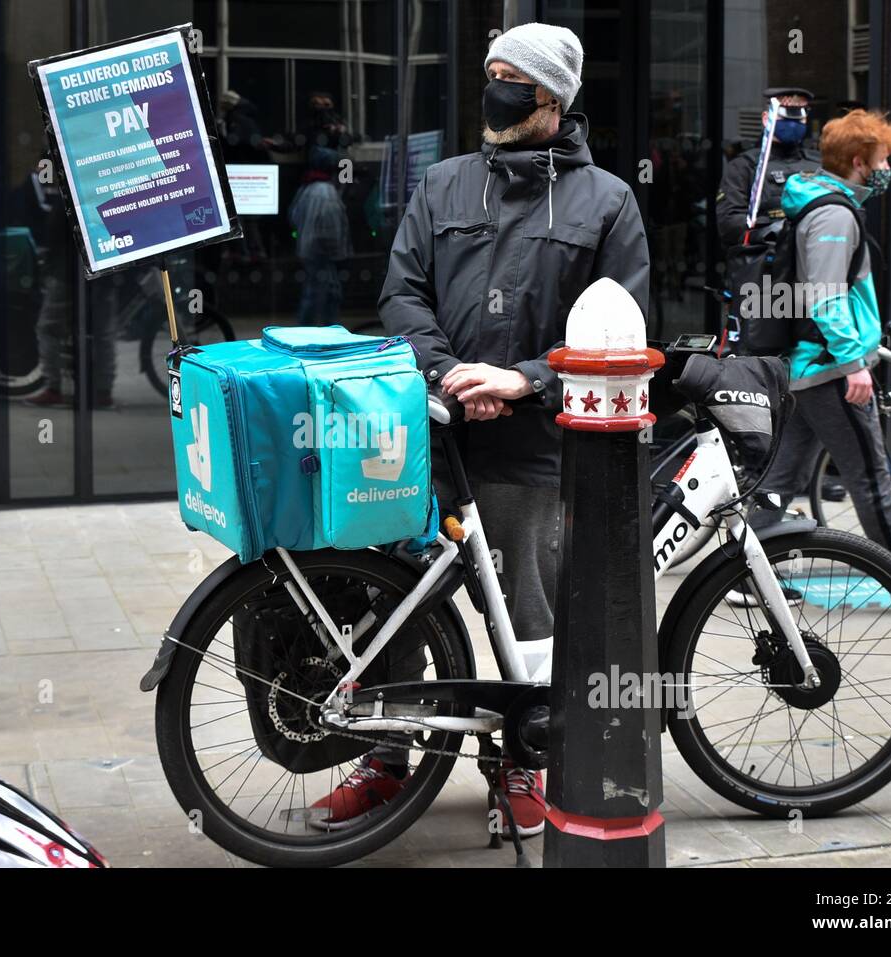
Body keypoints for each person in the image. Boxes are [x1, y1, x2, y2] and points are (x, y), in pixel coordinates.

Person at [312, 22, 650, 837]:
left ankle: (519, 766)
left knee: (526, 613)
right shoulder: (445, 184)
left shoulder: (606, 200)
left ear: (554, 99)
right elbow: (402, 293)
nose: (495, 89)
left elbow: (625, 332)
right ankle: (384, 761)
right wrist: (449, 376)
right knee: (389, 600)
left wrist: (522, 379)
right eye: (491, 72)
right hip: (430, 433)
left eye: (513, 79)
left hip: (532, 450)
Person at [751, 109, 891, 599]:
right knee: (869, 475)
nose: (887, 168)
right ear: (858, 161)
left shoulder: (825, 204)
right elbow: (825, 295)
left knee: (782, 475)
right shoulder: (832, 213)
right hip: (829, 368)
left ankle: (752, 572)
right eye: (882, 159)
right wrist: (854, 363)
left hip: (809, 366)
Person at [717, 87, 821, 248]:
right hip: (769, 263)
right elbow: (729, 223)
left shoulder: (819, 164)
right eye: (784, 118)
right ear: (767, 119)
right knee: (767, 275)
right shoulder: (745, 166)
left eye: (798, 119)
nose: (792, 125)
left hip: (812, 259)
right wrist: (770, 229)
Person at [289, 145, 352, 325]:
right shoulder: (327, 193)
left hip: (308, 250)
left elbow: (293, 216)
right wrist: (338, 254)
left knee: (314, 294)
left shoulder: (306, 189)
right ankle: (326, 334)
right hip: (322, 254)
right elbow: (330, 231)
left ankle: (308, 330)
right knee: (327, 295)